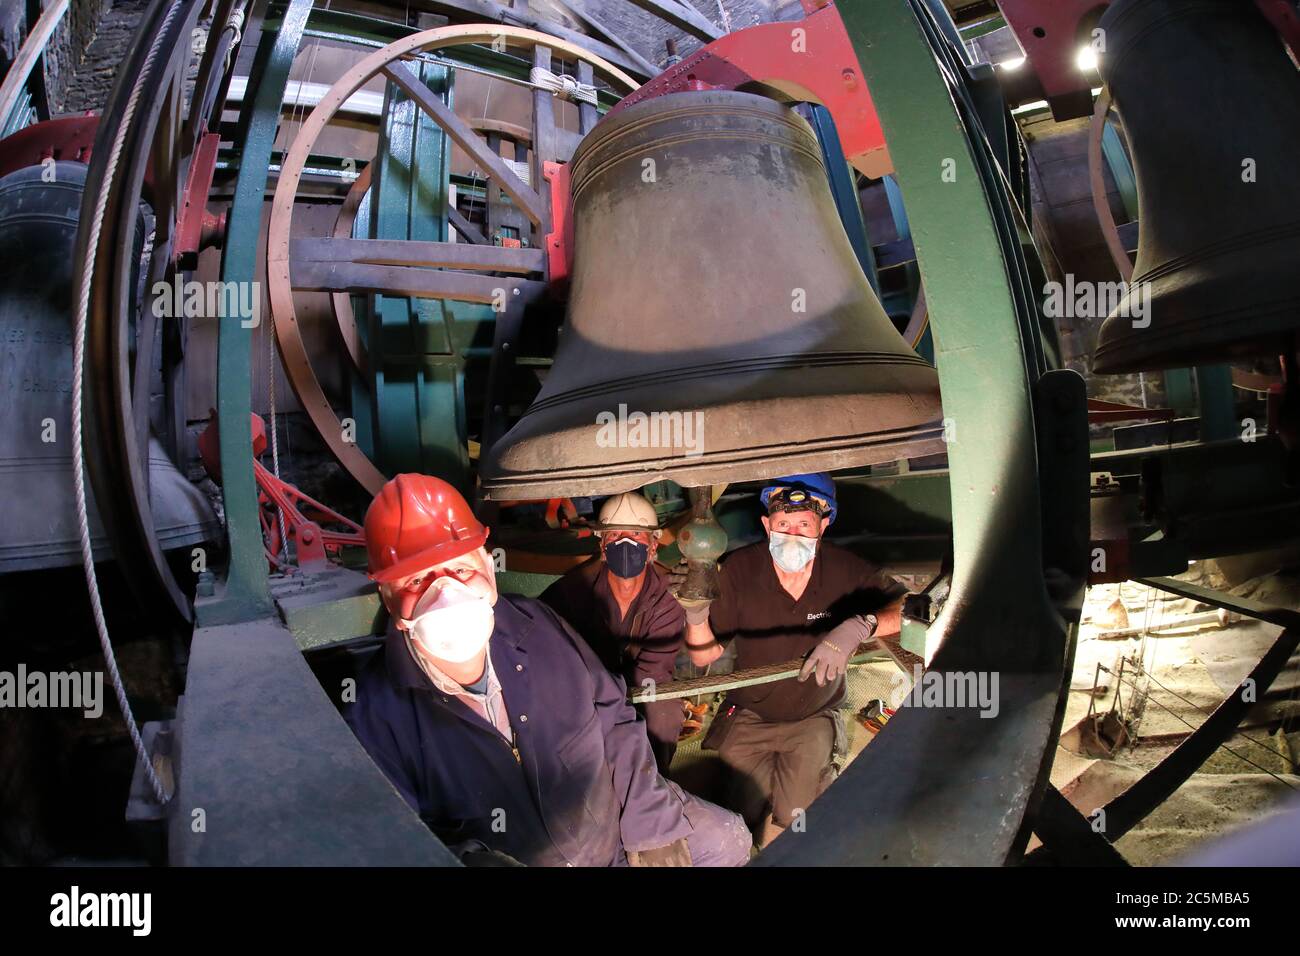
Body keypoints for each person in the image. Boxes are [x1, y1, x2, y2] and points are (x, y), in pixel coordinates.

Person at [345, 474, 751, 867]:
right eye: (417, 580)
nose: (446, 593)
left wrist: (650, 820)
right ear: (390, 601)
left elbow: (616, 714)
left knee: (726, 839)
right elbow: (386, 839)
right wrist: (464, 856)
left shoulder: (539, 628)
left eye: (462, 570)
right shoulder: (379, 717)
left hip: (608, 837)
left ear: (488, 569)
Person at [676, 473, 907, 848]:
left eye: (804, 524)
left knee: (799, 819)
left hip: (813, 714)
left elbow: (907, 608)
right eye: (783, 524)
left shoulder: (848, 571)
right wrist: (696, 617)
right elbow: (705, 657)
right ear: (767, 525)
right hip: (750, 713)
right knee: (736, 814)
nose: (793, 534)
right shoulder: (739, 570)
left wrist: (862, 624)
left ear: (824, 525)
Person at [540, 492, 685, 773]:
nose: (625, 542)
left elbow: (654, 670)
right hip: (583, 684)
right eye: (615, 534)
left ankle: (655, 782)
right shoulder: (572, 591)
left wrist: (620, 705)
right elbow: (549, 648)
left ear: (653, 547)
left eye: (636, 534)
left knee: (663, 712)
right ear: (604, 547)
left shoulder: (668, 595)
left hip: (643, 685)